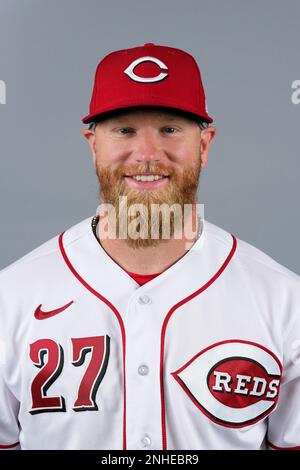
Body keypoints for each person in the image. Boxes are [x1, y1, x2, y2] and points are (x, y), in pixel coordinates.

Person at [0, 43, 299, 451]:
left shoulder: (284, 302)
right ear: (93, 144)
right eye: (124, 129)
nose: (146, 154)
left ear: (205, 144)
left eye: (169, 129)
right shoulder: (11, 297)